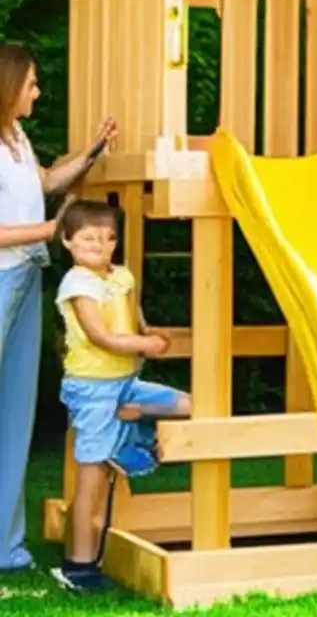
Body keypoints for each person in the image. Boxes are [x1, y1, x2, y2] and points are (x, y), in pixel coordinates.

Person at [0, 43, 116, 574]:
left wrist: (91, 152)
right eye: (31, 84)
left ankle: (6, 547)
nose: (37, 91)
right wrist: (52, 230)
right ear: (9, 86)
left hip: (26, 278)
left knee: (15, 416)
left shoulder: (17, 139)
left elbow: (45, 182)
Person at [50, 200, 191, 592]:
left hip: (126, 384)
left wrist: (149, 333)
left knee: (191, 407)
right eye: (89, 238)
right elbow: (102, 336)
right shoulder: (77, 284)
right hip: (92, 389)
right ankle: (77, 568)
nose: (100, 244)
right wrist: (145, 344)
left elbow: (134, 316)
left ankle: (131, 434)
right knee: (91, 482)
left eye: (108, 237)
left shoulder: (122, 276)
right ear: (67, 240)